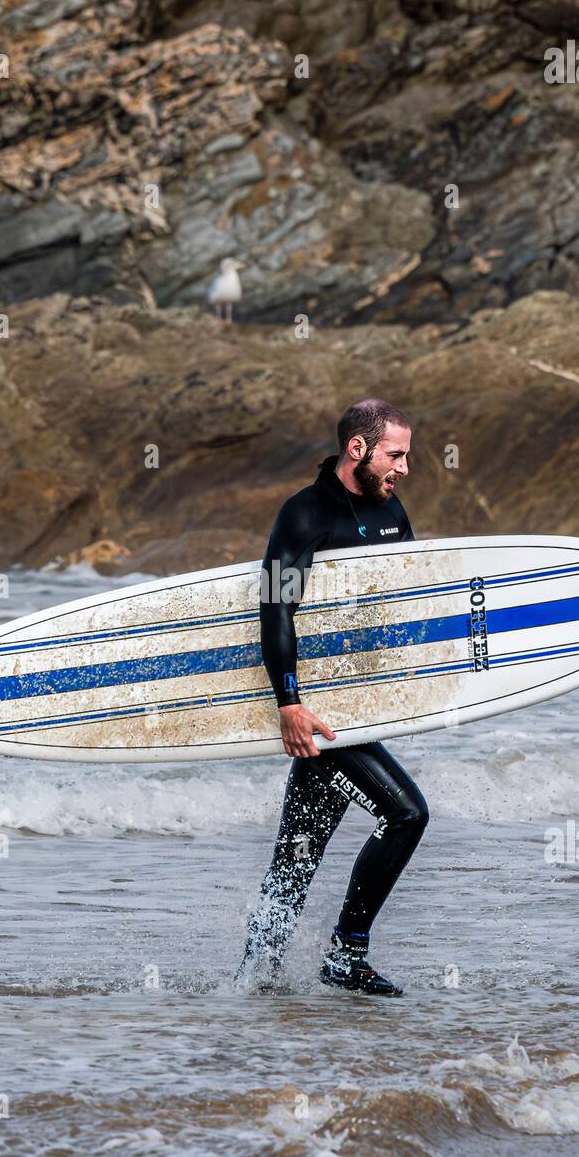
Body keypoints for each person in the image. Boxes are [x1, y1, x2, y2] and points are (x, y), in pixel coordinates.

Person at [237, 398, 429, 996]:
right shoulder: (305, 512)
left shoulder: (391, 511)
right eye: (396, 454)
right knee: (406, 815)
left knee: (295, 861)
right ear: (358, 449)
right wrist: (288, 703)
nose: (404, 467)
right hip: (317, 712)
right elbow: (276, 607)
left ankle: (252, 987)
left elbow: (402, 598)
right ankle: (346, 953)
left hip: (357, 704)